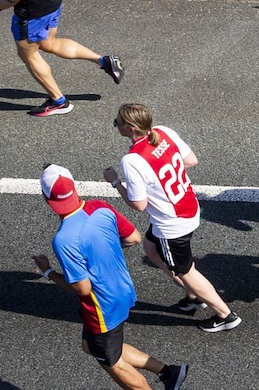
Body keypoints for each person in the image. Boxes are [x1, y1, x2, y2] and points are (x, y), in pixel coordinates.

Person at [29, 164, 185, 390]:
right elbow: (134, 238)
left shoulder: (64, 239)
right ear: (74, 188)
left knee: (111, 362)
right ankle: (168, 372)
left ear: (47, 199)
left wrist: (48, 272)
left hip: (101, 308)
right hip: (123, 290)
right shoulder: (99, 207)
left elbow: (82, 289)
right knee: (91, 346)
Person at [103, 103, 241, 333]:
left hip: (171, 224)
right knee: (152, 249)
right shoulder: (163, 132)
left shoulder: (132, 160)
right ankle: (193, 295)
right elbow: (191, 160)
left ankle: (225, 315)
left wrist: (115, 182)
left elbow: (139, 205)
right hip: (187, 206)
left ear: (130, 128)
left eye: (117, 121)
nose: (115, 124)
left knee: (185, 271)